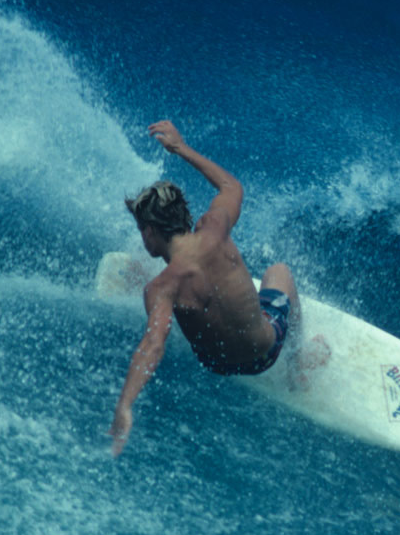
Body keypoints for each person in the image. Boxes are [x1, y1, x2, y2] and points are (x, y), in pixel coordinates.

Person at [109, 120, 305, 455]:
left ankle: (298, 366)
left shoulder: (160, 288)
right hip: (265, 354)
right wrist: (179, 147)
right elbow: (231, 187)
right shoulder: (215, 229)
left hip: (218, 364)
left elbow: (153, 345)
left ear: (150, 232)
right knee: (279, 271)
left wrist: (125, 403)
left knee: (165, 287)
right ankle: (297, 367)